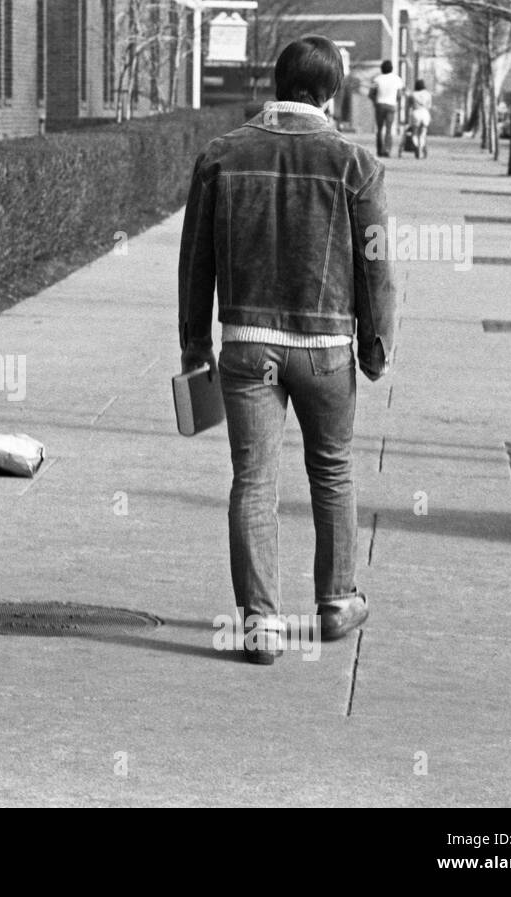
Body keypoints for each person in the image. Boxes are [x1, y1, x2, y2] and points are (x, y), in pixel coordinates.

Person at [178, 34, 396, 664]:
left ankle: (261, 625)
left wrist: (196, 343)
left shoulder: (221, 157)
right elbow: (376, 264)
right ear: (329, 92)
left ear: (279, 85)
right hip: (326, 349)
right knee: (332, 471)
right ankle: (336, 603)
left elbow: (196, 260)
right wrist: (376, 347)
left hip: (247, 347)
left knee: (253, 480)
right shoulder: (357, 167)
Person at [370, 59, 403, 158]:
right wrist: (395, 101)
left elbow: (371, 94)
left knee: (379, 129)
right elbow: (399, 95)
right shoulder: (397, 79)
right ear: (391, 69)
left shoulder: (377, 79)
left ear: (382, 69)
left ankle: (380, 150)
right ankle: (387, 149)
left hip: (380, 105)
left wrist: (375, 102)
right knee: (389, 129)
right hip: (391, 106)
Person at [405, 79, 432, 159]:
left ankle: (417, 147)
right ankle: (422, 147)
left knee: (415, 133)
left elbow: (408, 107)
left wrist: (407, 118)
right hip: (425, 113)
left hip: (416, 113)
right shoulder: (428, 94)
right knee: (423, 133)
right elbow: (429, 106)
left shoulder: (412, 94)